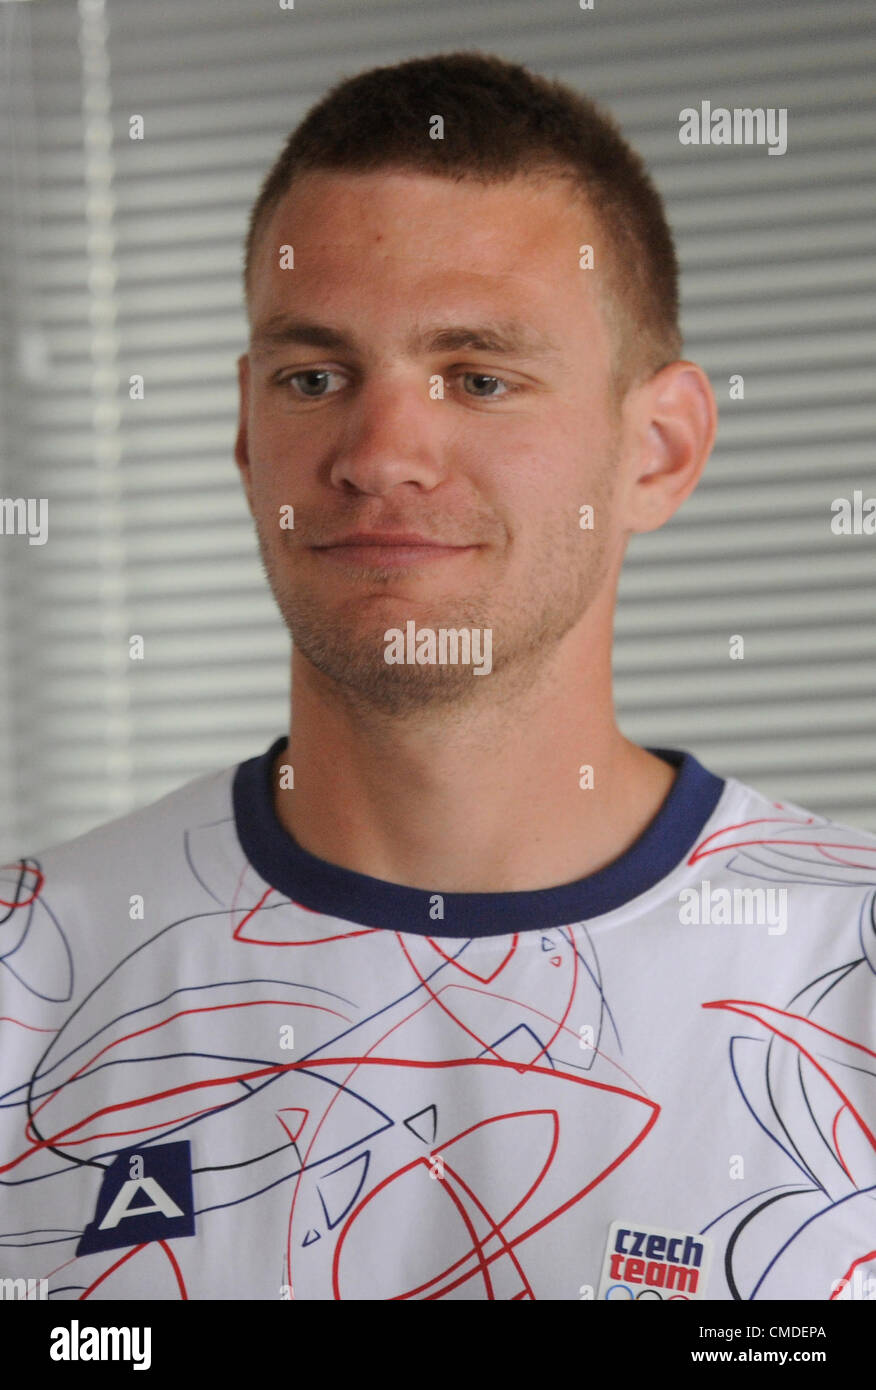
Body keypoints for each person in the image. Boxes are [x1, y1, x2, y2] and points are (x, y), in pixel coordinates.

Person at [1, 52, 873, 1304]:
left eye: (478, 377)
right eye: (316, 377)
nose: (381, 453)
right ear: (249, 432)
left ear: (660, 451)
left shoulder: (847, 966)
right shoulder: (25, 980)